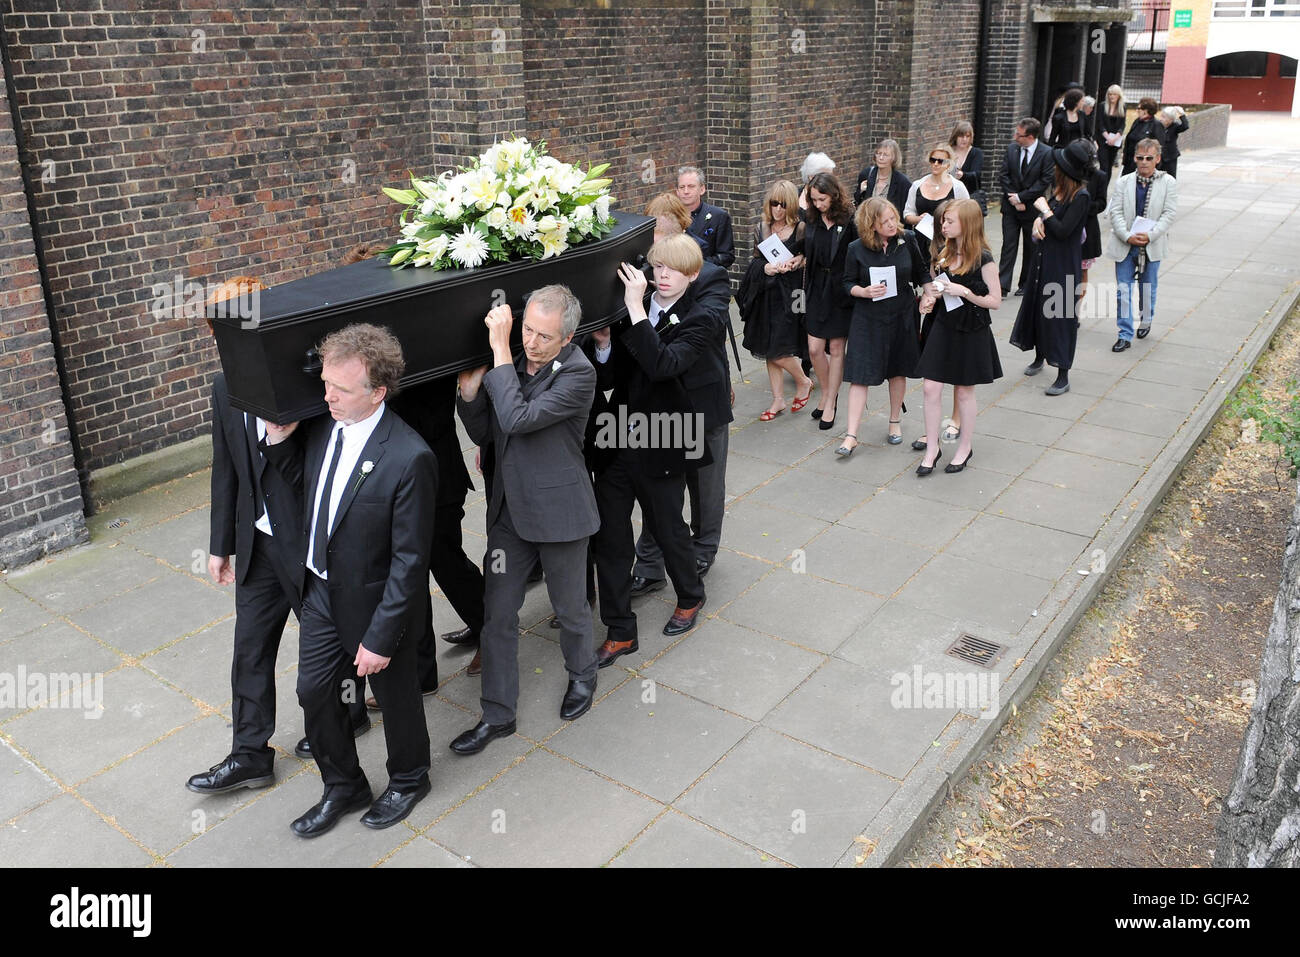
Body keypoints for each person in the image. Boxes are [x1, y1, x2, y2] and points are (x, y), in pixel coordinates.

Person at [188, 278, 370, 796]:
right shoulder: (224, 388)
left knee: (332, 639)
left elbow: (321, 477)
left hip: (306, 543)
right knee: (250, 649)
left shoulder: (307, 388)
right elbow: (226, 472)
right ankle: (250, 754)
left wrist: (279, 439)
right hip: (256, 548)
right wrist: (221, 543)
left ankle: (349, 711)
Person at [266, 323, 437, 838]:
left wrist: (381, 637)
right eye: (325, 384)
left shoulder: (410, 458)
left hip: (376, 603)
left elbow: (411, 560)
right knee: (315, 693)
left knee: (397, 697)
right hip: (321, 591)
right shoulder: (323, 424)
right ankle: (344, 785)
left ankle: (409, 779)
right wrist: (279, 447)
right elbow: (318, 495)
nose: (328, 396)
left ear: (378, 392)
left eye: (341, 389)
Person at [448, 288, 600, 755]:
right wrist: (471, 394)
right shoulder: (512, 364)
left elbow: (515, 417)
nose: (530, 343)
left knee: (571, 609)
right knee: (497, 616)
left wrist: (498, 349)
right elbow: (487, 433)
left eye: (543, 336)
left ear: (569, 336)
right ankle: (497, 714)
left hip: (560, 513)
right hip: (510, 514)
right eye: (527, 330)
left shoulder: (579, 373)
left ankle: (582, 677)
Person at [590, 234, 711, 668]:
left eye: (672, 270)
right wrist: (604, 343)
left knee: (667, 527)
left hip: (666, 436)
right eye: (657, 266)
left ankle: (690, 595)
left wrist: (635, 309)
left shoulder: (700, 318)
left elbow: (663, 365)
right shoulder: (629, 312)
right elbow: (610, 380)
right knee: (610, 536)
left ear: (692, 276)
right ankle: (620, 629)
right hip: (618, 435)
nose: (661, 275)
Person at [632, 193, 735, 591]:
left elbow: (700, 329)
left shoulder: (709, 276)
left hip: (701, 400)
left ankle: (704, 547)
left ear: (681, 226)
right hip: (660, 408)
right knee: (663, 492)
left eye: (661, 230)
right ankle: (651, 563)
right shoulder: (645, 277)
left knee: (706, 486)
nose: (655, 242)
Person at [914, 199, 1003, 474]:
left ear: (967, 223)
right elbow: (935, 286)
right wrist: (930, 297)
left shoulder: (984, 259)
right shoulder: (943, 253)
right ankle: (932, 447)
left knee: (964, 391)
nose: (944, 225)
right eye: (944, 221)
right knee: (930, 387)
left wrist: (964, 292)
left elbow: (995, 301)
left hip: (971, 329)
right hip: (943, 323)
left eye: (949, 221)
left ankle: (965, 447)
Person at [837, 197, 925, 456]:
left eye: (893, 218)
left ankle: (894, 420)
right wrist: (862, 292)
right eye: (884, 221)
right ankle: (851, 435)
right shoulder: (856, 248)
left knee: (898, 369)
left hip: (901, 314)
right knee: (859, 373)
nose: (891, 224)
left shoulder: (907, 239)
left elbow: (922, 274)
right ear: (871, 224)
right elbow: (845, 283)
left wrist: (930, 293)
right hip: (868, 315)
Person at [1009, 139, 1097, 396]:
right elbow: (1049, 219)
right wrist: (1038, 220)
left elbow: (1062, 229)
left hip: (1063, 265)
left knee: (1059, 316)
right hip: (1044, 260)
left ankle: (1063, 374)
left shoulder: (1081, 196)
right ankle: (1039, 356)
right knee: (1038, 308)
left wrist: (1044, 211)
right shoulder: (1059, 192)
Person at [737, 179, 812, 421]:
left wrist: (799, 260)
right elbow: (756, 260)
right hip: (767, 293)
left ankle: (803, 381)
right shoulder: (762, 227)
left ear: (791, 205)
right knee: (769, 348)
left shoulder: (800, 227)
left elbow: (810, 257)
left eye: (783, 204)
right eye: (773, 204)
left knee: (780, 348)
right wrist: (765, 268)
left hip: (791, 295)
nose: (778, 209)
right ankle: (778, 399)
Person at [1106, 137, 1179, 350]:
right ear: (1134, 158)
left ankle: (1146, 319)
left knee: (1148, 287)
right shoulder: (1123, 182)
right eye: (1140, 158)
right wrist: (1127, 235)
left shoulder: (1168, 183)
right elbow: (1116, 211)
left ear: (1157, 159)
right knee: (1123, 290)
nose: (1144, 162)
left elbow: (1169, 213)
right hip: (1125, 243)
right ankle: (1125, 334)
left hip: (1151, 244)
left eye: (1149, 158)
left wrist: (1151, 235)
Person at [802, 171, 857, 431]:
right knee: (814, 348)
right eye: (813, 199)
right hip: (816, 287)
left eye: (822, 199)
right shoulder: (811, 219)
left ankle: (830, 402)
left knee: (836, 348)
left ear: (834, 196)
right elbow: (806, 248)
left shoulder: (849, 219)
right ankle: (827, 391)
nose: (818, 204)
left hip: (840, 289)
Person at [998, 117, 1055, 297]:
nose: (1015, 137)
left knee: (1031, 248)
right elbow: (1004, 175)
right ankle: (1002, 284)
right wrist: (1014, 198)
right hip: (1010, 207)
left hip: (1032, 209)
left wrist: (1023, 198)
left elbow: (1044, 180)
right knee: (1008, 245)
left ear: (1030, 137)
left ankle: (1025, 284)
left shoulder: (1046, 153)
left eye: (1019, 135)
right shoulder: (1011, 149)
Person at [678, 166, 734, 269]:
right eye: (682, 187)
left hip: (705, 279)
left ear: (702, 189)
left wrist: (696, 264)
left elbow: (727, 256)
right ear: (677, 191)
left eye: (691, 186)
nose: (686, 191)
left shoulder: (719, 216)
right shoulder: (671, 217)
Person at [903, 142, 969, 229]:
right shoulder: (917, 185)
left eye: (940, 161)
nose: (936, 164)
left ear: (948, 164)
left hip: (947, 238)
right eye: (933, 160)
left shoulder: (958, 187)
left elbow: (968, 214)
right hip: (920, 238)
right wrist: (918, 219)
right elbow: (908, 213)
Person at [853, 138, 911, 213]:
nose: (881, 158)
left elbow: (904, 211)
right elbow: (858, 201)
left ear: (894, 158)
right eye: (879, 153)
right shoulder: (866, 174)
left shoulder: (902, 182)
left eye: (885, 155)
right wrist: (861, 191)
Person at [1122, 98, 1165, 175]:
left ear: (1146, 111)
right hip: (1129, 163)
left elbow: (1159, 147)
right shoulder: (1137, 122)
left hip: (1144, 164)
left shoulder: (1156, 125)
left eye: (1139, 108)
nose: (1137, 110)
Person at [949, 123, 985, 213]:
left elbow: (976, 174)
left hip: (969, 197)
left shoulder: (976, 153)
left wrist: (963, 175)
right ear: (955, 136)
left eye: (967, 136)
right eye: (961, 136)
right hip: (950, 197)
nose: (964, 139)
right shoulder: (948, 152)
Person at [1095, 85, 1126, 173]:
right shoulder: (1102, 106)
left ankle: (1106, 186)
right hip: (1103, 139)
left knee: (1109, 167)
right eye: (1110, 94)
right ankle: (1102, 186)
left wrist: (1115, 137)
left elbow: (1122, 125)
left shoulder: (1122, 107)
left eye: (1114, 94)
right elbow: (1100, 123)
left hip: (1115, 140)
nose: (1112, 96)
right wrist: (1108, 137)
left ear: (1119, 96)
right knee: (1103, 166)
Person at [1157, 106, 1189, 177]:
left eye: (1164, 117)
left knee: (1170, 176)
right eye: (1161, 116)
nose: (1161, 119)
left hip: (1170, 157)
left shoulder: (1175, 126)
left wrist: (1182, 114)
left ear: (1171, 119)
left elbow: (1185, 126)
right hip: (1159, 156)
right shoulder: (1158, 125)